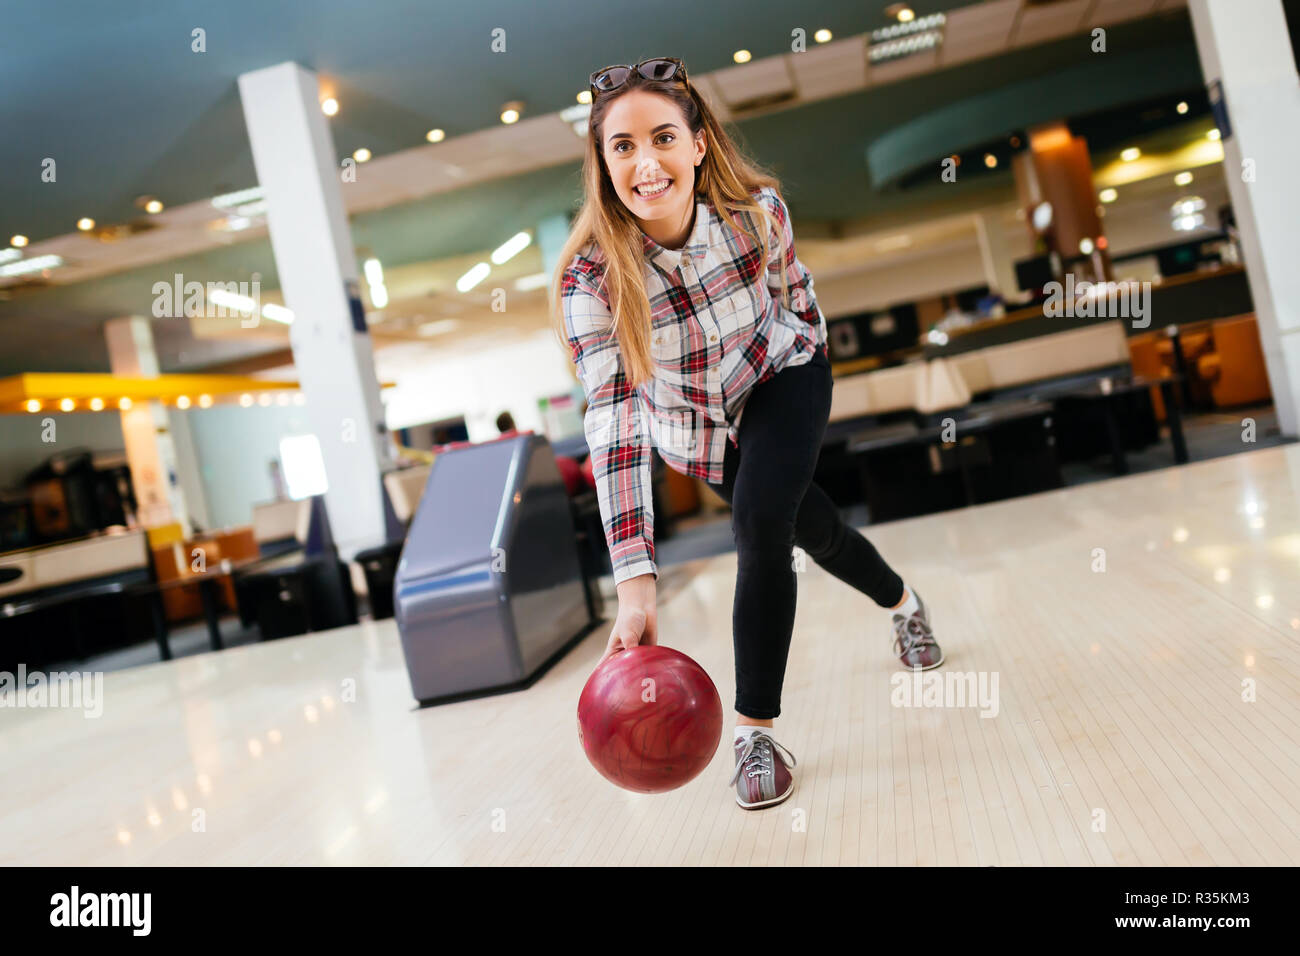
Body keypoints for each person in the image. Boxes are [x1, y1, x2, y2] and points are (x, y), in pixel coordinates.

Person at [550, 57, 944, 811]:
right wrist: (635, 585)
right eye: (623, 146)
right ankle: (904, 605)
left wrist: (809, 363)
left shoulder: (755, 213)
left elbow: (797, 295)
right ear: (603, 165)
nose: (646, 162)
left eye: (663, 137)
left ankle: (755, 733)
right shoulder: (591, 283)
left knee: (762, 520)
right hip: (696, 426)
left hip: (780, 371)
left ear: (698, 145)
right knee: (810, 527)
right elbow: (613, 424)